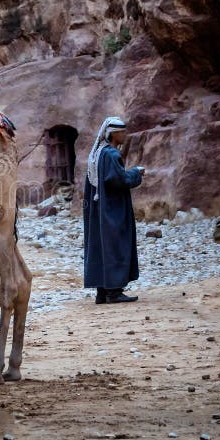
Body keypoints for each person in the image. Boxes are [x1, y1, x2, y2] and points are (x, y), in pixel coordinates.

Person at [82, 116, 145, 304]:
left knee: (101, 245)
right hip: (111, 209)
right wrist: (136, 172)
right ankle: (114, 292)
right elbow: (120, 180)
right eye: (122, 132)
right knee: (115, 244)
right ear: (113, 134)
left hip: (98, 210)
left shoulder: (97, 153)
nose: (125, 135)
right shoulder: (110, 154)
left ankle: (102, 291)